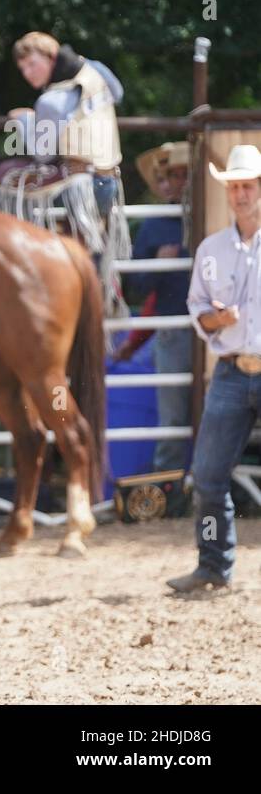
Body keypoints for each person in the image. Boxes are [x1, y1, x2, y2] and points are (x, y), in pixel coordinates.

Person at [168, 144, 261, 592]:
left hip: (239, 369)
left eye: (247, 185)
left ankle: (212, 566)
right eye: (235, 186)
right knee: (207, 476)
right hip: (229, 368)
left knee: (209, 477)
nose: (240, 194)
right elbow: (198, 311)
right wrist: (216, 319)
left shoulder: (212, 248)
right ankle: (212, 566)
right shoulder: (212, 249)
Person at [113, 142, 192, 472]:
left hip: (216, 330)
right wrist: (159, 265)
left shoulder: (218, 217)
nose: (179, 181)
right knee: (174, 415)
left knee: (223, 411)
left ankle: (211, 484)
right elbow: (136, 286)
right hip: (175, 329)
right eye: (173, 175)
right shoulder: (154, 226)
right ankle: (172, 486)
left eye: (186, 174)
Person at [9, 30, 124, 218]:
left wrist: (24, 120)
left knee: (13, 202)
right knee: (95, 245)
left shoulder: (50, 101)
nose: (27, 73)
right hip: (111, 181)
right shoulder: (95, 69)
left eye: (32, 64)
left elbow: (43, 154)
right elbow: (118, 93)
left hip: (79, 188)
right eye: (23, 68)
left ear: (52, 57)